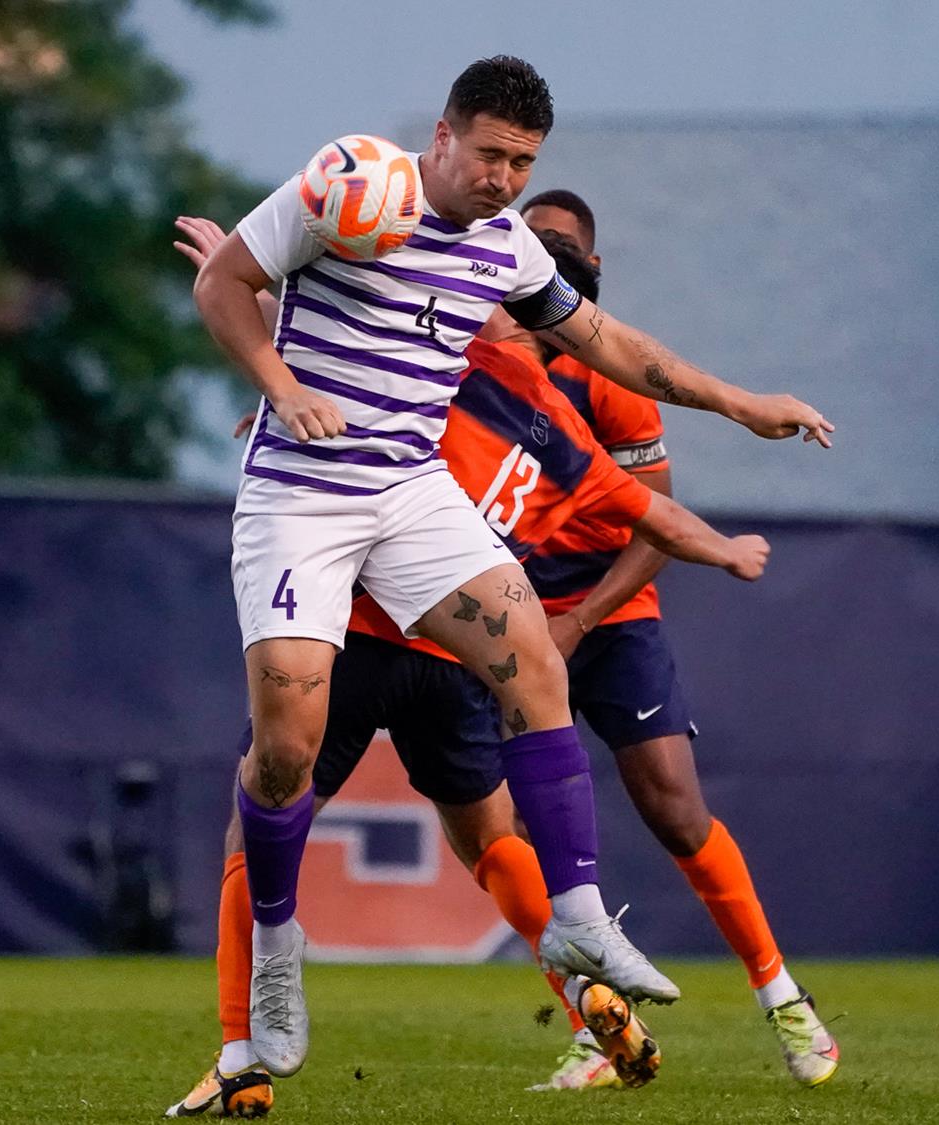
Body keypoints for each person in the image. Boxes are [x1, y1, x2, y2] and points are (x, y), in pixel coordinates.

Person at [191, 55, 833, 1080]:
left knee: (534, 655)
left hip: (405, 492)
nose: (500, 179)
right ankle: (275, 949)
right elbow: (221, 281)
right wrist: (280, 384)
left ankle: (575, 917)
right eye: (488, 153)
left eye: (520, 163)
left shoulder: (502, 251)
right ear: (441, 136)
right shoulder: (350, 184)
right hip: (300, 499)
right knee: (283, 752)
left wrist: (743, 403)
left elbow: (610, 343)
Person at [517, 189, 839, 1087]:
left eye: (558, 245)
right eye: (526, 239)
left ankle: (783, 996)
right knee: (498, 819)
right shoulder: (475, 346)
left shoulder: (610, 368)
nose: (539, 254)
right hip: (501, 601)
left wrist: (579, 619)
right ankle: (597, 1020)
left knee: (672, 804)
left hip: (602, 604)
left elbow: (652, 519)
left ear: (590, 268)